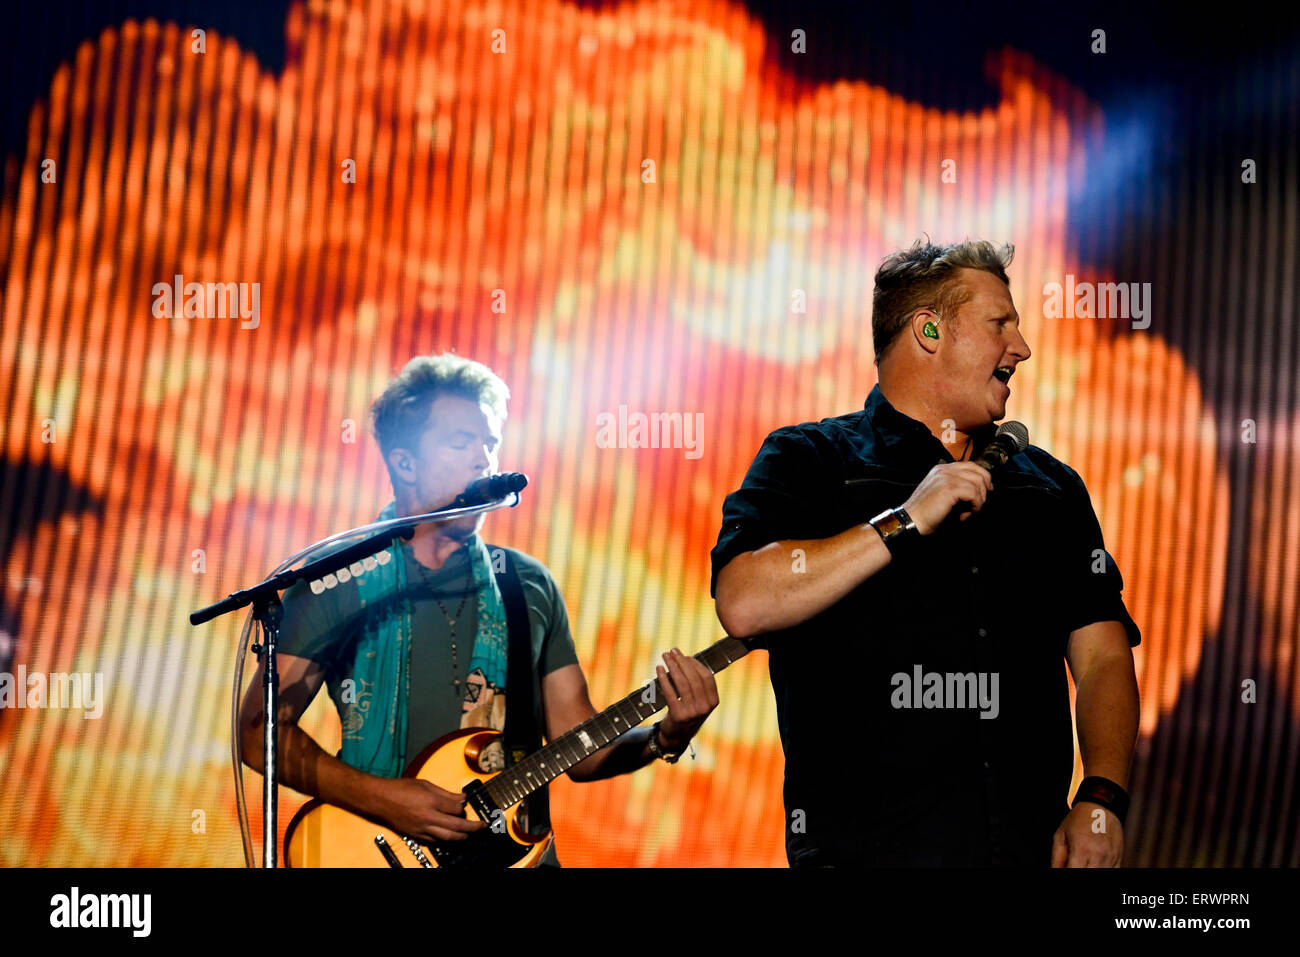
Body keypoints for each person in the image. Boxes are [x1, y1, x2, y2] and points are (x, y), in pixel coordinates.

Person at [711, 239, 1141, 867]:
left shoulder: (1049, 488)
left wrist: (1101, 799)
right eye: (1001, 323)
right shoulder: (810, 461)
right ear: (930, 331)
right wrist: (904, 521)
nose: (1020, 347)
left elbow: (1103, 657)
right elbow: (744, 602)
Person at [240, 353, 718, 866]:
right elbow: (257, 733)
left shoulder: (528, 585)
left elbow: (583, 750)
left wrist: (667, 736)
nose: (483, 460)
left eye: (490, 443)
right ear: (404, 463)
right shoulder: (338, 581)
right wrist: (386, 800)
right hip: (375, 849)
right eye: (460, 441)